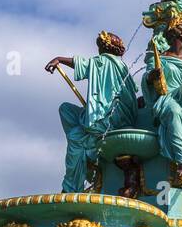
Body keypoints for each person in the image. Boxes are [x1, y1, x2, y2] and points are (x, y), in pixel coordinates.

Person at [45, 32, 138, 192]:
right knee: (66, 109)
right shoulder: (121, 66)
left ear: (104, 48)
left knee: (75, 138)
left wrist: (59, 59)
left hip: (107, 119)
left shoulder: (103, 61)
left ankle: (71, 188)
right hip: (112, 116)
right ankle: (87, 149)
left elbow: (82, 64)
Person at [142, 12, 182, 188]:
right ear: (178, 32)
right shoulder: (160, 58)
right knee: (174, 111)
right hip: (167, 99)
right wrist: (151, 77)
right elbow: (147, 80)